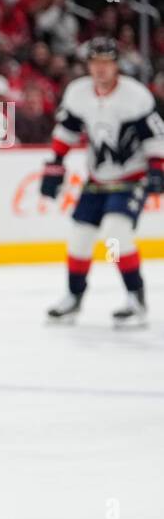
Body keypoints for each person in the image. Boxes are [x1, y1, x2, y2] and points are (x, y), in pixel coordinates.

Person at [42, 37, 164, 328]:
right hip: (97, 179)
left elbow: (154, 135)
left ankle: (136, 298)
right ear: (88, 65)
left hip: (130, 178)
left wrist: (157, 168)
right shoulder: (78, 93)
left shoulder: (135, 96)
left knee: (115, 232)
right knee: (80, 237)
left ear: (116, 65)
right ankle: (73, 297)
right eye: (95, 62)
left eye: (106, 63)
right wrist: (55, 165)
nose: (100, 69)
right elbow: (67, 130)